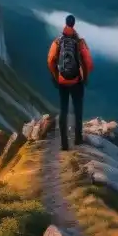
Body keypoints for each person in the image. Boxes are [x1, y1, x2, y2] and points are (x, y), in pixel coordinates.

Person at [47, 14, 94, 151]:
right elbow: (89, 63)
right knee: (78, 109)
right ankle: (78, 139)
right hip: (76, 81)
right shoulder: (80, 42)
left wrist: (56, 76)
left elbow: (50, 61)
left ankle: (64, 144)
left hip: (62, 81)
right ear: (74, 25)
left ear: (65, 24)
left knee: (63, 110)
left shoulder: (57, 42)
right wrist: (84, 76)